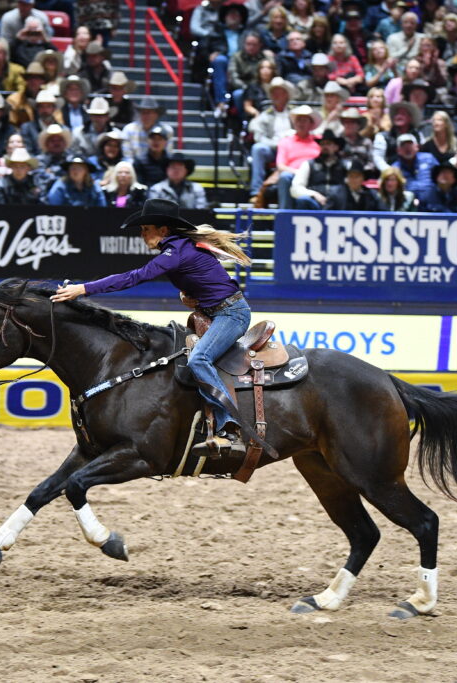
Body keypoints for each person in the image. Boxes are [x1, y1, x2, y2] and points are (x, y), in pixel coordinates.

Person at [51, 199, 254, 458]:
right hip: (220, 312)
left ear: (164, 230)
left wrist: (84, 288)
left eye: (146, 228)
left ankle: (230, 426)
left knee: (199, 359)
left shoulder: (174, 251)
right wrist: (190, 295)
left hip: (231, 315)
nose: (142, 233)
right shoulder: (180, 248)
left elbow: (135, 277)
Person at [248, 77, 295, 196]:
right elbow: (258, 135)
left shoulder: (295, 113)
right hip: (272, 149)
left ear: (287, 95)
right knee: (257, 148)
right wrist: (277, 144)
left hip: (292, 149)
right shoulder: (265, 114)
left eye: (280, 92)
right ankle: (256, 191)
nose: (276, 95)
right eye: (274, 92)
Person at [274, 105, 322, 208]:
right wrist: (299, 173)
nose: (301, 123)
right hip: (293, 174)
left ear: (311, 124)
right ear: (294, 123)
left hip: (315, 174)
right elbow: (281, 166)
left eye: (304, 120)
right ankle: (284, 214)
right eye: (298, 120)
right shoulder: (285, 141)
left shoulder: (319, 141)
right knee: (284, 176)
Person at [291, 130, 347, 209]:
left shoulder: (345, 165)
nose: (325, 147)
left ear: (336, 147)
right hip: (315, 204)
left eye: (328, 144)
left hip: (338, 204)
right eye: (322, 144)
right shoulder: (309, 164)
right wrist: (315, 194)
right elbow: (295, 189)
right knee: (303, 200)